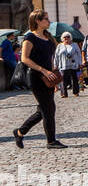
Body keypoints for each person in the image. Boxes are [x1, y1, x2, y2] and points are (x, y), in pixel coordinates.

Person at [12, 11, 65, 148]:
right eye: (46, 19)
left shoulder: (48, 37)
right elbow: (24, 58)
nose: (49, 21)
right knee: (48, 108)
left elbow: (50, 58)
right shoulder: (30, 37)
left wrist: (53, 75)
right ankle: (51, 141)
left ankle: (20, 132)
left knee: (43, 109)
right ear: (37, 21)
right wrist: (43, 71)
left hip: (48, 77)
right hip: (36, 77)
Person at [54, 32, 82, 98]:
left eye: (68, 37)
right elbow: (56, 56)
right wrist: (55, 64)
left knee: (74, 79)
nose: (66, 38)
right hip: (63, 65)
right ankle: (64, 93)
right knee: (63, 80)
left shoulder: (75, 45)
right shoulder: (59, 46)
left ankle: (76, 92)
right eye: (65, 37)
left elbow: (79, 55)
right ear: (62, 38)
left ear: (70, 38)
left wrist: (80, 63)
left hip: (73, 64)